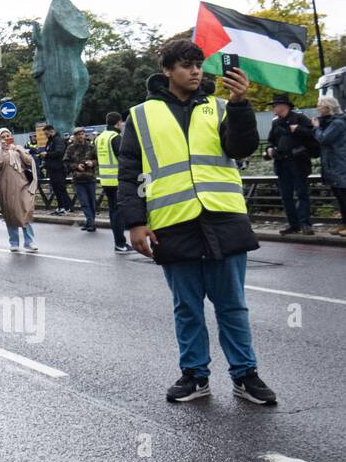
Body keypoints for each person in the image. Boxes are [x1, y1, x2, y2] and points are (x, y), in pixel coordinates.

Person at [118, 39, 275, 405]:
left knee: (232, 304)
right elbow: (130, 175)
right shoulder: (140, 115)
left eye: (199, 64)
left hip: (224, 218)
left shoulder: (221, 107)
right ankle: (195, 375)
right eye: (186, 65)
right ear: (167, 71)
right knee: (187, 307)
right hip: (173, 223)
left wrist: (239, 105)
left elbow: (241, 148)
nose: (195, 71)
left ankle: (245, 375)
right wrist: (135, 223)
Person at [267, 93, 316, 234]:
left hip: (298, 162)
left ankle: (305, 224)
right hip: (281, 163)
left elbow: (314, 135)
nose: (273, 108)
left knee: (302, 193)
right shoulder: (275, 122)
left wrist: (298, 129)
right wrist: (269, 148)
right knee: (286, 195)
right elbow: (271, 140)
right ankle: (293, 224)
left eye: (275, 105)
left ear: (283, 106)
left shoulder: (300, 118)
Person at [0, 128, 39, 251]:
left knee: (26, 212)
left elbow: (29, 161)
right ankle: (14, 242)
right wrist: (2, 149)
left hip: (23, 186)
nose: (6, 138)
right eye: (3, 136)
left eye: (7, 135)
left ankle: (29, 242)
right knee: (11, 215)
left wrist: (19, 150)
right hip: (6, 188)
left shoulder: (18, 148)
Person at [97, 113, 132, 252]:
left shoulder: (100, 138)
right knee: (118, 213)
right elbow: (123, 158)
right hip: (116, 179)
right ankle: (120, 243)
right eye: (121, 122)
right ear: (118, 123)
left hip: (105, 180)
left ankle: (119, 242)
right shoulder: (115, 137)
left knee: (113, 212)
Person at [313, 96, 346, 236]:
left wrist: (316, 128)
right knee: (339, 196)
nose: (318, 108)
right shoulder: (330, 122)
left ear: (328, 107)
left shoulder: (338, 123)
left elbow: (324, 139)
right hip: (332, 165)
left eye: (320, 105)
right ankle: (344, 223)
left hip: (340, 164)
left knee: (344, 195)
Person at [65, 127, 98, 231]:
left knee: (92, 202)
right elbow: (66, 162)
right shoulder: (71, 148)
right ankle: (91, 223)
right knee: (84, 202)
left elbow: (98, 159)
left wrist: (92, 163)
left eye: (82, 134)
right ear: (75, 136)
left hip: (90, 178)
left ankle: (90, 222)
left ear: (85, 135)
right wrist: (76, 166)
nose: (80, 136)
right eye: (78, 134)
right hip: (78, 180)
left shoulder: (91, 147)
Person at [42, 124, 72, 215]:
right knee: (56, 189)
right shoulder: (50, 141)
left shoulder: (58, 140)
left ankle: (67, 207)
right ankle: (60, 207)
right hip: (52, 168)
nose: (46, 136)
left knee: (60, 188)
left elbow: (59, 152)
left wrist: (47, 154)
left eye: (47, 134)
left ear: (51, 131)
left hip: (58, 168)